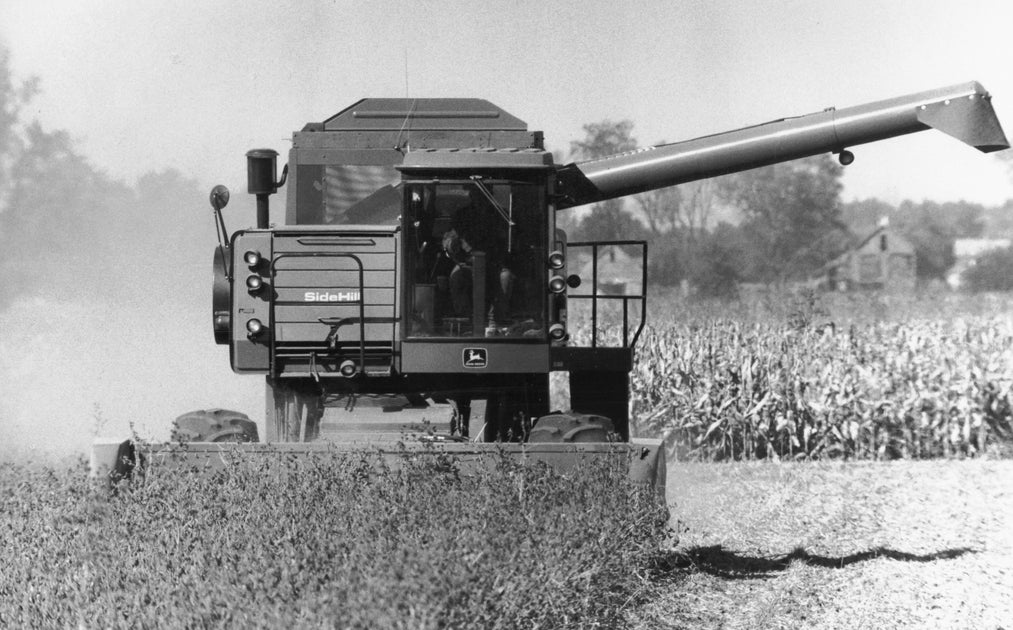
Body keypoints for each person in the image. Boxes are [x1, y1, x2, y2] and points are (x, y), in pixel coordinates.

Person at [444, 187, 515, 326]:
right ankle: (466, 320)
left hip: (495, 265)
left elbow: (511, 240)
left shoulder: (502, 215)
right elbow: (450, 237)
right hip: (468, 264)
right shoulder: (461, 215)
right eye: (476, 194)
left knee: (505, 278)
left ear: (490, 196)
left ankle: (494, 321)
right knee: (456, 278)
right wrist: (451, 244)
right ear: (471, 195)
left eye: (484, 194)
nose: (480, 198)